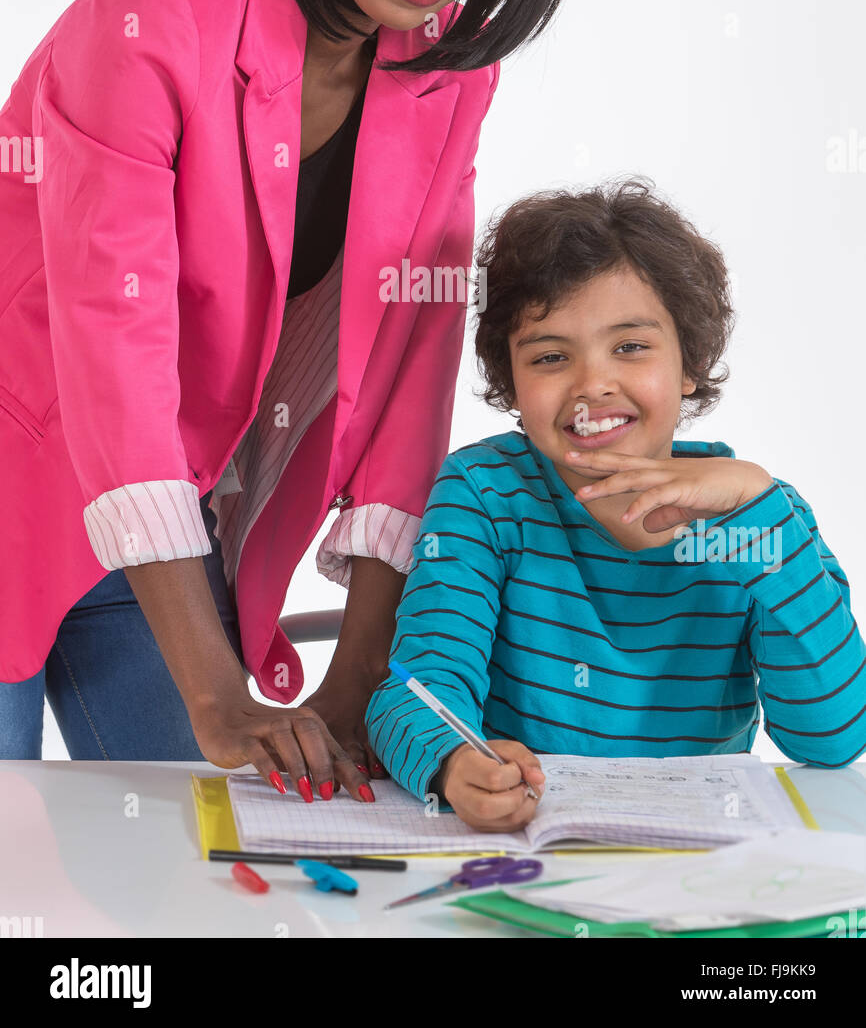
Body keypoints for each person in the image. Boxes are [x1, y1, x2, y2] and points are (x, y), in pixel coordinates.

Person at [0, 0, 590, 794]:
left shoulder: (443, 69)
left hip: (156, 528)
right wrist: (220, 694)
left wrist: (361, 670)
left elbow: (412, 352)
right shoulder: (139, 30)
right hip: (23, 475)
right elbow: (111, 358)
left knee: (202, 851)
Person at [366, 178, 866, 831]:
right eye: (550, 356)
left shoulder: (762, 517)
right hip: (522, 854)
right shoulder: (485, 494)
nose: (593, 384)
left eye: (630, 346)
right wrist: (455, 761)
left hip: (697, 866)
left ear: (690, 363)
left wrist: (756, 504)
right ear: (511, 384)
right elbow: (417, 687)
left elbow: (829, 740)